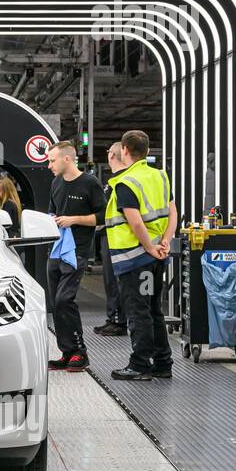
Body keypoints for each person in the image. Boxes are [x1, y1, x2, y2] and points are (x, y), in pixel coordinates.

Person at [109, 130, 179, 381]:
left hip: (136, 258)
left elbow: (135, 222)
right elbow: (173, 212)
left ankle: (140, 364)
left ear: (125, 150)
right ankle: (163, 362)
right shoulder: (160, 176)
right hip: (157, 256)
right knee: (153, 310)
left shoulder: (126, 182)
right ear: (147, 150)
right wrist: (165, 242)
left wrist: (149, 246)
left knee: (138, 311)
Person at [45, 141, 106, 372]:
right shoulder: (56, 183)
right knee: (55, 303)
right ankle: (67, 352)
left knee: (64, 299)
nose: (49, 165)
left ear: (67, 159)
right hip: (56, 249)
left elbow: (102, 217)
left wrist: (74, 219)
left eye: (52, 160)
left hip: (77, 251)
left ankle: (80, 351)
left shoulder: (90, 183)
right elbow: (52, 210)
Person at [94, 142, 130, 336]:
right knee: (110, 280)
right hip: (111, 236)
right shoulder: (114, 181)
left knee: (115, 280)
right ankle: (113, 318)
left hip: (116, 237)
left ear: (112, 156)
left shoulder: (120, 182)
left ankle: (118, 320)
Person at [0, 174, 22, 238]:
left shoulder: (8, 204)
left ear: (6, 191)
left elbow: (5, 225)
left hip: (9, 237)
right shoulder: (13, 203)